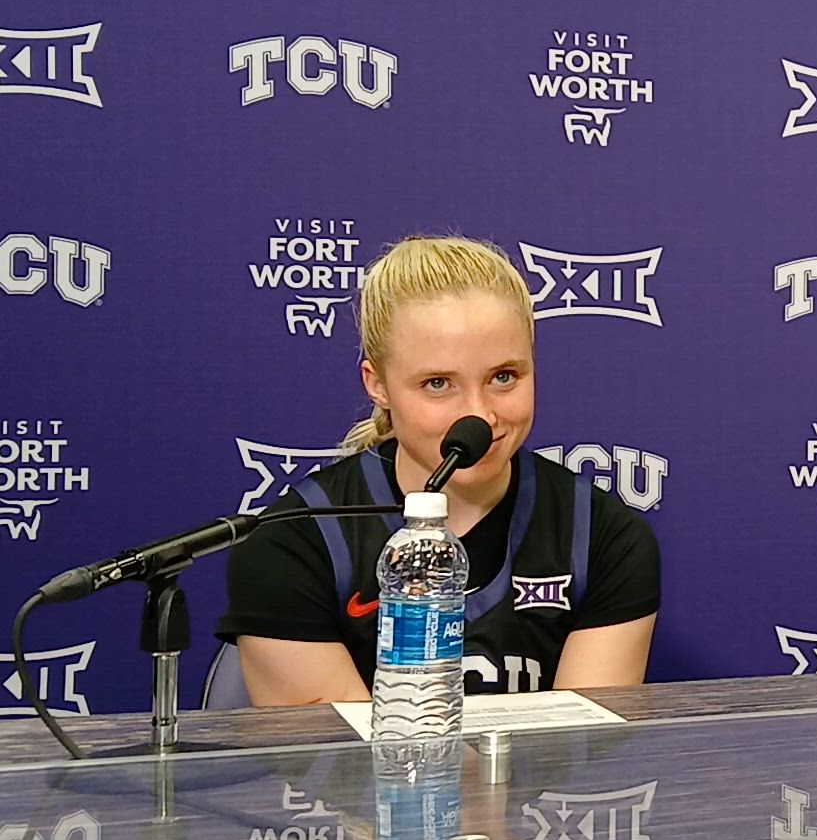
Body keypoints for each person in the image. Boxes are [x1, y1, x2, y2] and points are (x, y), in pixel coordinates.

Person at [217, 236, 660, 705]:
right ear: (378, 384)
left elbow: (580, 749)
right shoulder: (293, 543)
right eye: (437, 384)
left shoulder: (603, 538)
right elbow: (334, 763)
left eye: (504, 377)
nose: (479, 416)